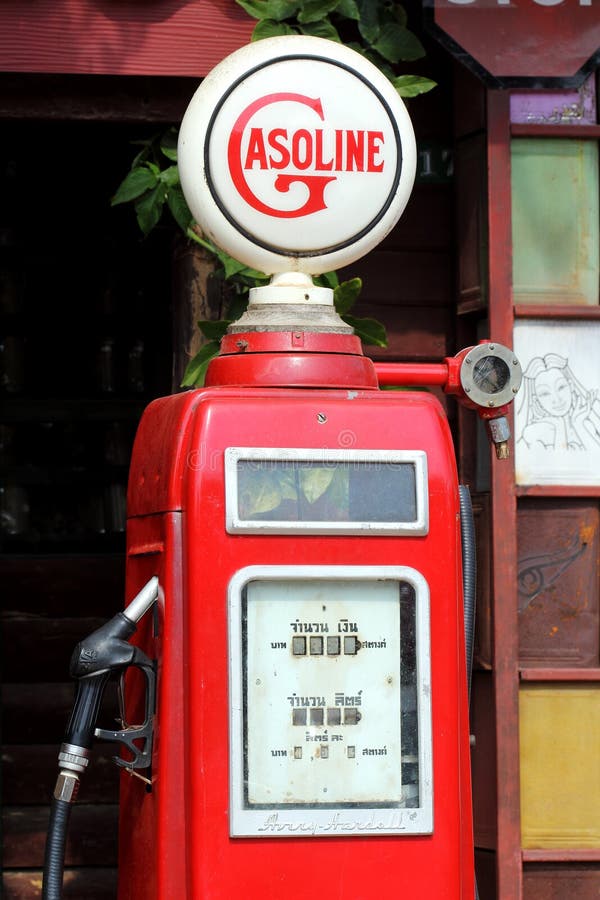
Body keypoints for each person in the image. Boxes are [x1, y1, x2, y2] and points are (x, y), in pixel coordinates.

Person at [517, 353, 600, 451]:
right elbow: (558, 462)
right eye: (545, 393)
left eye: (561, 387)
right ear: (536, 400)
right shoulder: (532, 433)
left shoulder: (586, 424)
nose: (557, 399)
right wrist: (559, 426)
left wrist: (578, 424)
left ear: (571, 386)